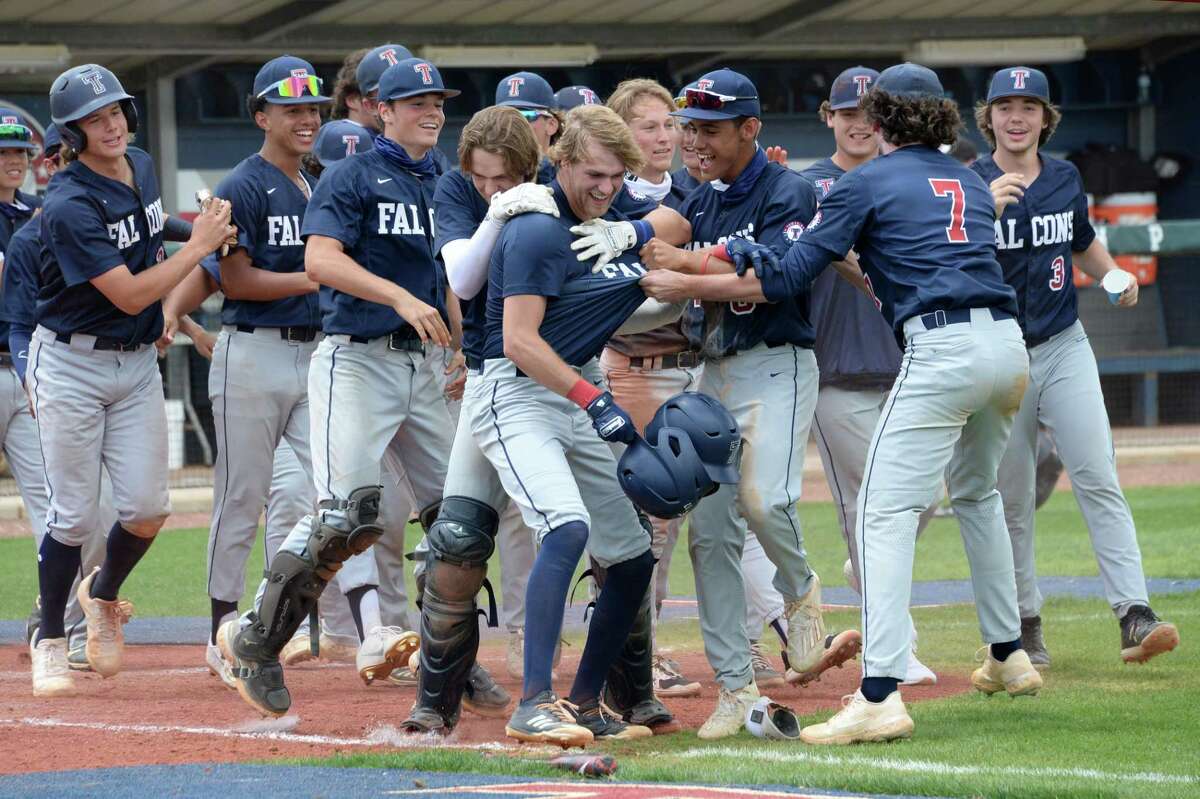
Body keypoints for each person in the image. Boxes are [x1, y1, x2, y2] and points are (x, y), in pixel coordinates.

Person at [645, 63, 1040, 744]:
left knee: (880, 516)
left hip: (940, 345)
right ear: (946, 119)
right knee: (975, 496)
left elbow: (793, 270)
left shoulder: (862, 181)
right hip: (1008, 346)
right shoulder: (971, 181)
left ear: (881, 121)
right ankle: (1007, 652)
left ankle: (880, 692)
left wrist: (712, 259)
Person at [219, 57, 460, 718]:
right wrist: (399, 298)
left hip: (424, 363)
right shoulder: (352, 175)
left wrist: (460, 344)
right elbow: (321, 260)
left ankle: (450, 663)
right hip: (357, 358)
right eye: (415, 102)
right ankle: (257, 641)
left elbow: (448, 272)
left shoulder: (446, 179)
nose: (431, 112)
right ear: (381, 109)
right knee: (349, 516)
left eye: (437, 101)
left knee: (459, 521)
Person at [639, 68, 859, 740]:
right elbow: (647, 234)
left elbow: (774, 277)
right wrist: (671, 252)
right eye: (687, 127)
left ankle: (801, 592)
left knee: (766, 500)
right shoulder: (700, 194)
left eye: (709, 128)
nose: (693, 141)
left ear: (751, 129)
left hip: (776, 363)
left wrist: (684, 270)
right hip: (713, 373)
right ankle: (735, 686)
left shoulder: (786, 187)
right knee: (708, 534)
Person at [468, 104, 695, 746]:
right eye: (595, 173)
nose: (607, 187)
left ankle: (587, 700)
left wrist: (641, 244)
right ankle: (530, 703)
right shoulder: (538, 228)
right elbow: (518, 341)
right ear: (561, 160)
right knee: (565, 528)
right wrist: (593, 398)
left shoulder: (606, 219)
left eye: (619, 176)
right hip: (517, 393)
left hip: (573, 387)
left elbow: (680, 216)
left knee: (630, 555)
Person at [28, 63, 232, 697]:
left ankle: (104, 595)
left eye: (115, 111)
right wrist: (199, 248)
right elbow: (128, 293)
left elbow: (146, 226)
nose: (110, 124)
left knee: (148, 508)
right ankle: (50, 640)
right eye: (94, 119)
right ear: (71, 133)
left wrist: (204, 227)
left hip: (135, 362)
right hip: (71, 362)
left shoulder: (139, 164)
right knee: (73, 514)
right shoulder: (66, 202)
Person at [974, 65, 1178, 667]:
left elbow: (1081, 239)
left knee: (1098, 474)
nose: (1017, 117)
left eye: (1029, 106)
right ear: (988, 118)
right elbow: (949, 255)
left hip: (1064, 342)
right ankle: (1024, 621)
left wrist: (1111, 271)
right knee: (1010, 496)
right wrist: (980, 212)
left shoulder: (1065, 176)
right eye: (1006, 106)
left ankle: (1135, 615)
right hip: (999, 349)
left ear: (1045, 117)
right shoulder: (966, 182)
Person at [799, 65, 937, 687]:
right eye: (846, 112)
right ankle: (895, 649)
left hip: (909, 365)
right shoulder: (809, 185)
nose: (858, 123)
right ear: (829, 118)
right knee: (872, 509)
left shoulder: (903, 182)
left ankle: (867, 576)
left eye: (869, 113)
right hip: (837, 373)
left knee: (919, 500)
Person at [201, 54, 327, 680]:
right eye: (292, 109)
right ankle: (217, 627)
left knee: (320, 495)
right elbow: (236, 278)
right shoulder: (241, 184)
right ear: (261, 116)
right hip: (251, 349)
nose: (307, 119)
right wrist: (318, 278)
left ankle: (267, 623)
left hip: (315, 353)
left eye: (313, 108)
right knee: (240, 499)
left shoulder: (319, 180)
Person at [4, 124, 116, 674]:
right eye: (3, 152)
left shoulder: (40, 217)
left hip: (31, 372)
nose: (14, 161)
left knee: (65, 509)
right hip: (34, 363)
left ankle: (62, 622)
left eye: (18, 152)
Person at [495, 71, 558, 182]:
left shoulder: (567, 175)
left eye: (526, 116)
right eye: (504, 117)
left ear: (551, 125)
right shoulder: (482, 175)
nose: (513, 125)